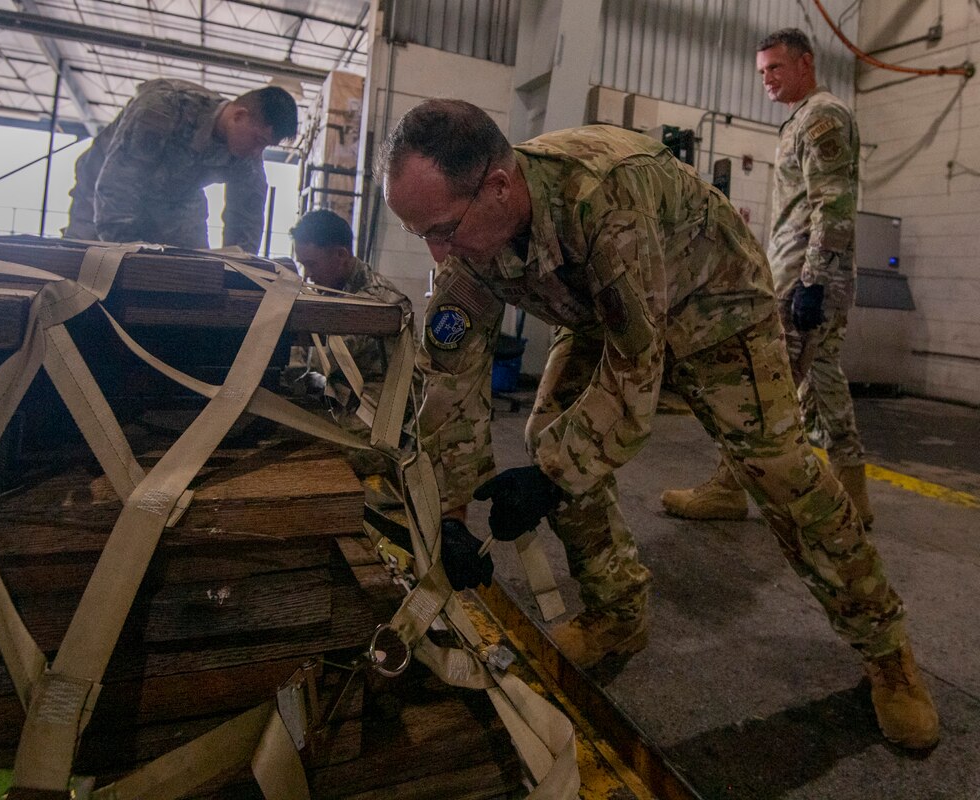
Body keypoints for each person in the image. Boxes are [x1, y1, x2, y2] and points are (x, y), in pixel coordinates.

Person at [378, 98, 939, 749]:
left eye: (441, 228)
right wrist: (450, 512)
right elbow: (451, 376)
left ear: (499, 186)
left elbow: (634, 373)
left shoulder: (601, 197)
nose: (436, 250)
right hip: (605, 307)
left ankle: (887, 650)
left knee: (784, 475)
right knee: (551, 434)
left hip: (716, 300)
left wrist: (551, 478)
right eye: (421, 232)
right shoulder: (466, 241)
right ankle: (617, 612)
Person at [662, 28, 873, 528]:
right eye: (761, 72)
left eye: (775, 68)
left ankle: (730, 487)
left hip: (808, 276)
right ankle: (850, 497)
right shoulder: (804, 118)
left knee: (763, 382)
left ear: (805, 63)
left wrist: (813, 282)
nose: (767, 80)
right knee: (813, 380)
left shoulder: (821, 117)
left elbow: (833, 205)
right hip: (801, 272)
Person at [64, 79, 298, 252]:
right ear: (238, 116)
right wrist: (130, 256)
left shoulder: (248, 155)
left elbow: (246, 219)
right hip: (102, 188)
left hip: (176, 199)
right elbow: (118, 184)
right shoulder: (163, 107)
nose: (258, 152)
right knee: (88, 262)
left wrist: (239, 274)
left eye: (266, 146)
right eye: (258, 141)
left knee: (191, 271)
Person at [285, 209, 413, 477]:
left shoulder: (376, 300)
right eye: (303, 265)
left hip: (381, 411)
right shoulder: (334, 290)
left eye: (313, 264)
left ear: (341, 256)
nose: (307, 275)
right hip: (345, 393)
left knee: (317, 451)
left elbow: (326, 358)